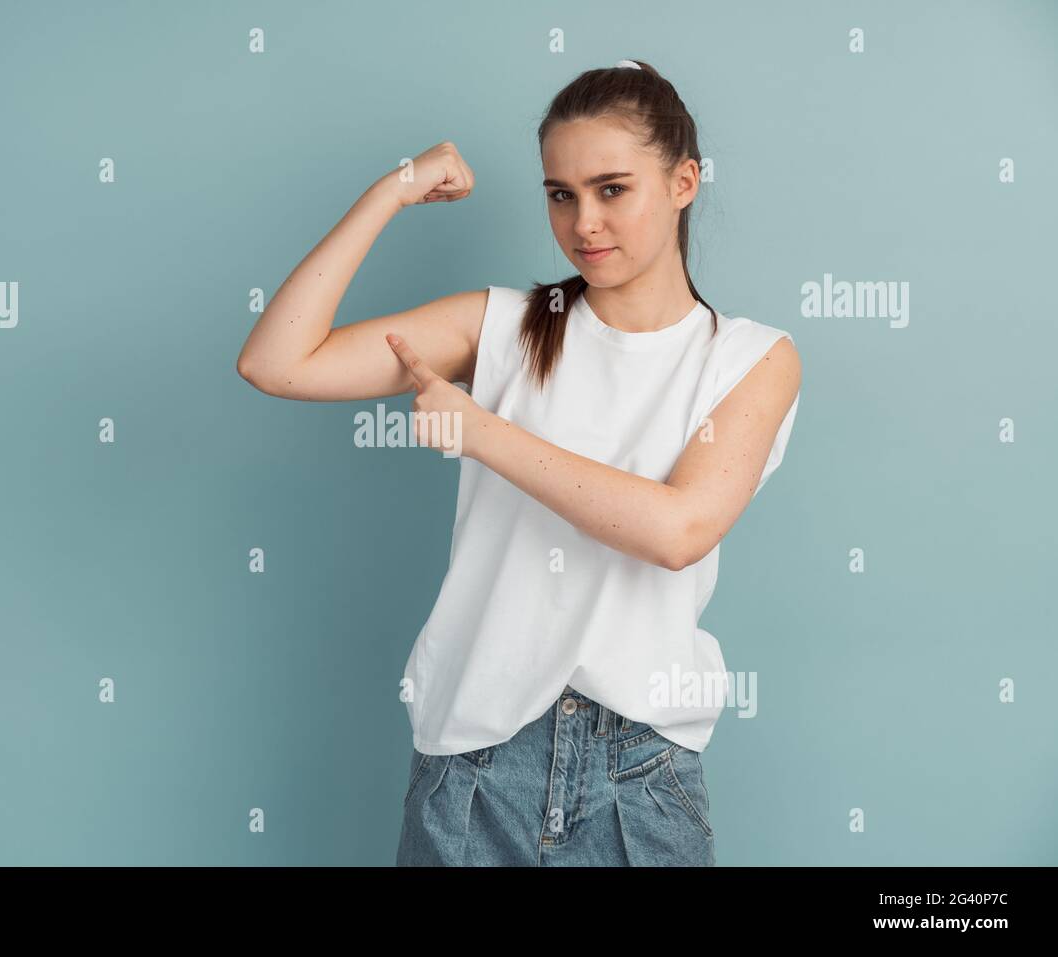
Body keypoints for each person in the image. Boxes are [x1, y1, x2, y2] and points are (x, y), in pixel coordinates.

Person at [236, 59, 802, 866]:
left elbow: (677, 529)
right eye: (560, 193)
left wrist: (480, 430)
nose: (583, 223)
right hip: (472, 767)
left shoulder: (751, 358)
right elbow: (277, 362)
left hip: (639, 778)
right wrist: (392, 191)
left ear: (683, 181)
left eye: (613, 189)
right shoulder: (502, 327)